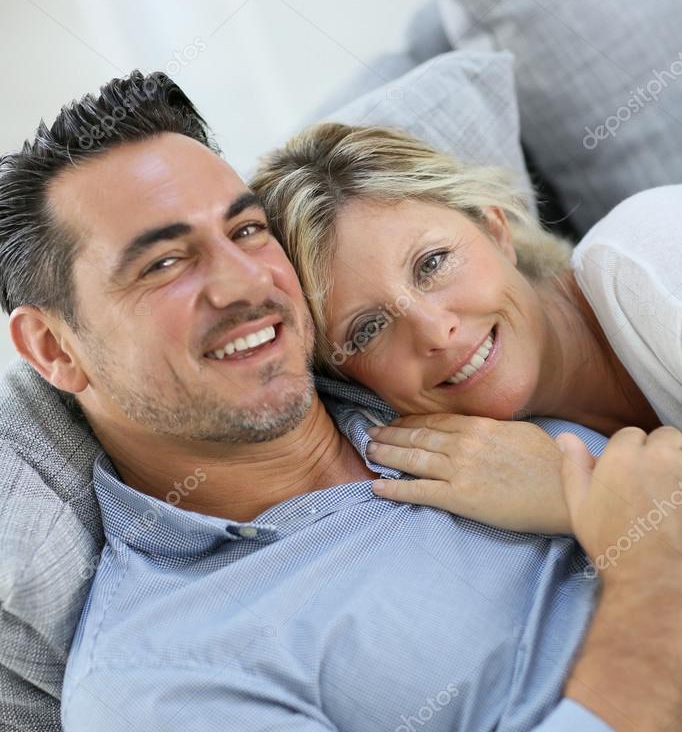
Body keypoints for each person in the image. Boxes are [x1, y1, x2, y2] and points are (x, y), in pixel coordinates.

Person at [2, 72, 682, 732]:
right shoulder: (159, 678)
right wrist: (652, 583)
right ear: (54, 347)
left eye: (246, 229)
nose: (245, 282)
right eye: (165, 263)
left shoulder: (436, 370)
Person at [251, 122, 681, 535]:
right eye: (369, 329)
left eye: (432, 264)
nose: (436, 332)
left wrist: (580, 496)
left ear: (496, 230)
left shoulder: (654, 259)